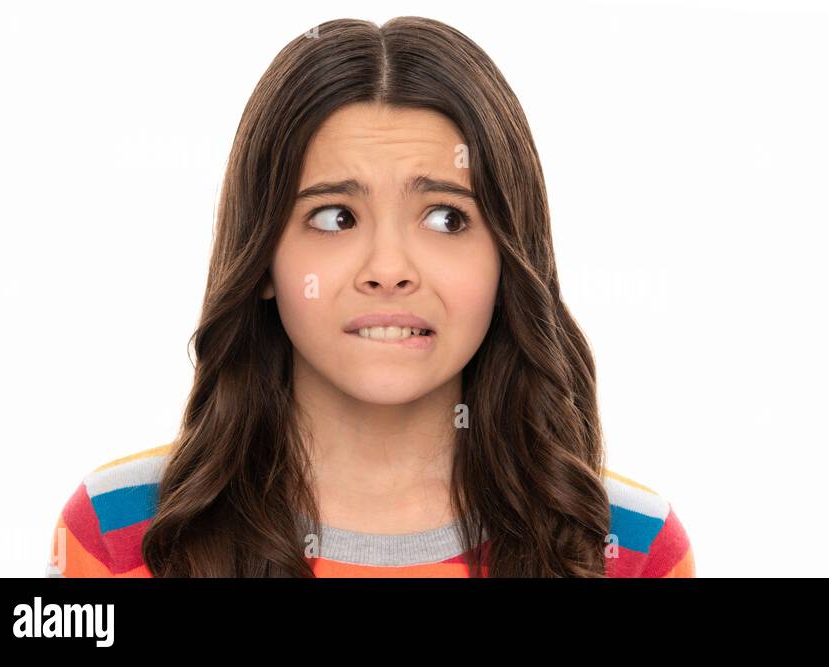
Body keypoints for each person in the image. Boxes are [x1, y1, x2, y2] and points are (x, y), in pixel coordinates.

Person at [45, 16, 693, 578]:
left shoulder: (629, 549)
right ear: (263, 257)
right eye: (334, 217)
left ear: (507, 257)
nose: (389, 269)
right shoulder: (119, 533)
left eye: (446, 218)